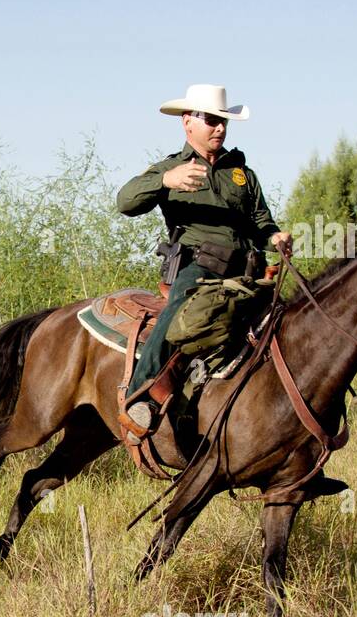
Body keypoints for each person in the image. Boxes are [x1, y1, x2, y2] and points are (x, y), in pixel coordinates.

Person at [116, 85, 291, 434]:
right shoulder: (170, 168)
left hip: (249, 269)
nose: (220, 128)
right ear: (187, 123)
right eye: (211, 120)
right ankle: (140, 397)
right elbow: (125, 202)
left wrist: (274, 237)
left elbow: (260, 222)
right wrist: (166, 181)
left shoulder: (241, 173)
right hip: (200, 266)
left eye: (223, 121)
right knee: (177, 312)